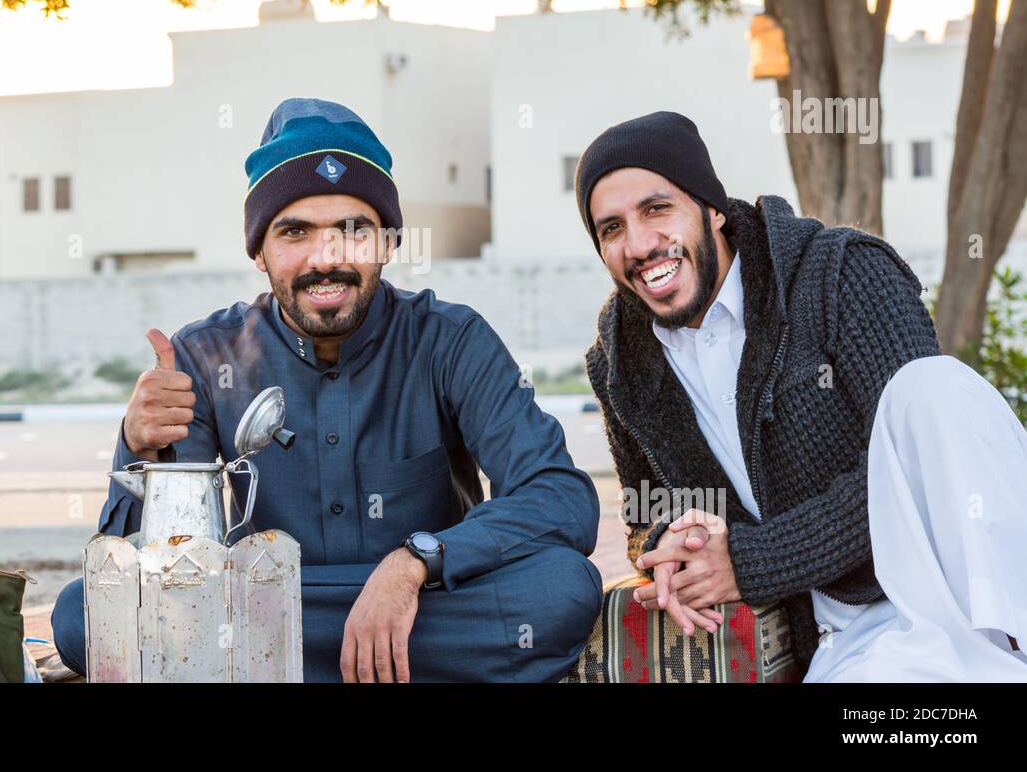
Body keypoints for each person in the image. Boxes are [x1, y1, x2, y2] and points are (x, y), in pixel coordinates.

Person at [53, 97, 602, 682]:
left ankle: (276, 665)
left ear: (389, 243)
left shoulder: (450, 339)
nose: (327, 258)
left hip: (423, 600)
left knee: (561, 589)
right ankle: (370, 662)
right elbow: (147, 560)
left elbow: (560, 499)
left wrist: (414, 561)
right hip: (268, 599)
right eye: (295, 232)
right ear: (259, 252)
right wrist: (139, 445)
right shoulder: (204, 356)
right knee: (81, 615)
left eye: (353, 229)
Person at [577, 109, 1027, 681]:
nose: (638, 244)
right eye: (611, 228)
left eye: (656, 208)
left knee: (929, 385)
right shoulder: (621, 362)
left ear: (712, 208)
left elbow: (917, 471)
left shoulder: (839, 275)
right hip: (852, 633)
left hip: (967, 584)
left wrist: (749, 561)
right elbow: (648, 508)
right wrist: (671, 544)